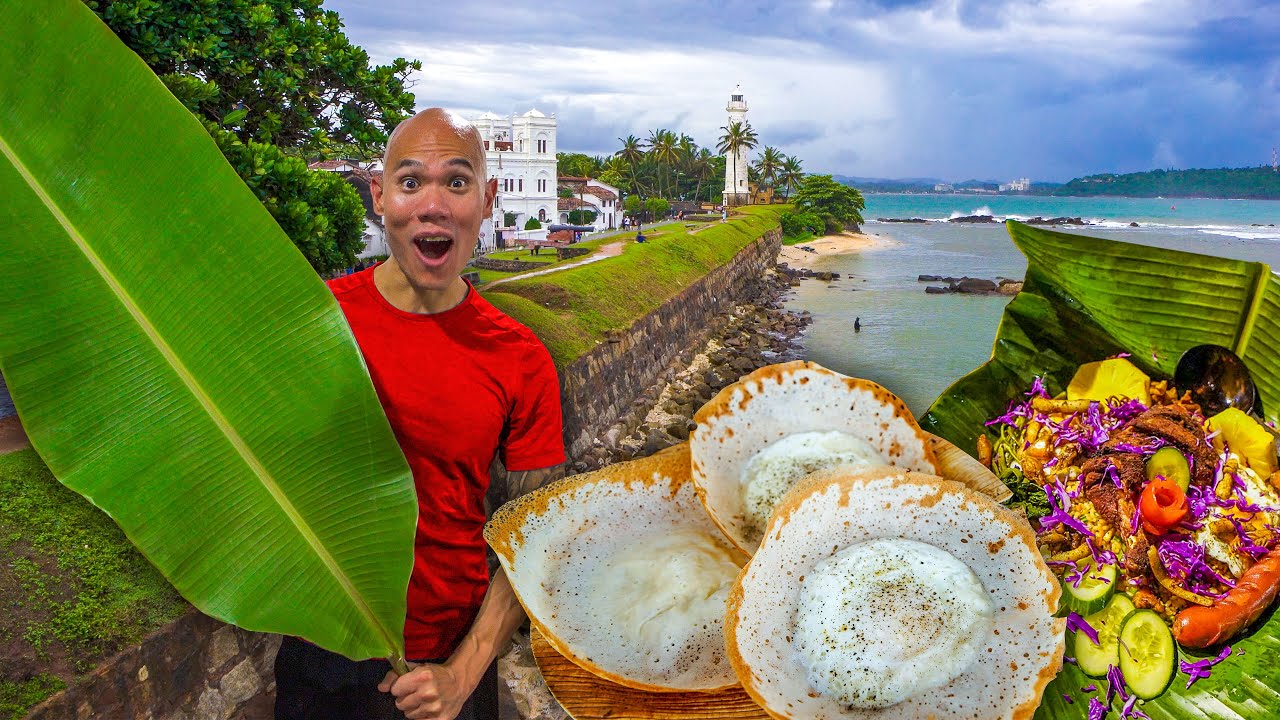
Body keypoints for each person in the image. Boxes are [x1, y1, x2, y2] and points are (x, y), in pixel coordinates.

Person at [274, 108, 566, 720]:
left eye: (456, 182)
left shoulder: (519, 357)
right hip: (322, 651)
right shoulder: (315, 326)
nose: (433, 206)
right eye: (410, 182)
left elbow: (535, 531)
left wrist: (464, 672)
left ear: (488, 199)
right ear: (380, 196)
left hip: (451, 655)